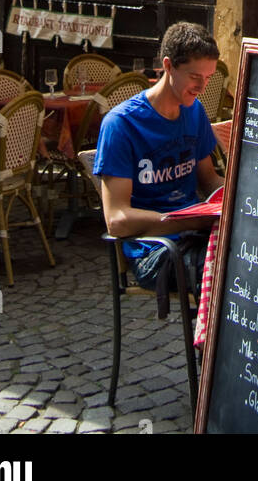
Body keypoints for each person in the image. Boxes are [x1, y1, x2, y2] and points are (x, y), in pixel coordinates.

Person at [94, 20, 223, 290]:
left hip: (195, 235)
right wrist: (188, 220)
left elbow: (209, 181)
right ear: (168, 65)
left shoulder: (194, 111)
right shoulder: (121, 125)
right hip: (154, 252)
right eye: (194, 76)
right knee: (232, 273)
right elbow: (116, 220)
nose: (202, 86)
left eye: (208, 78)